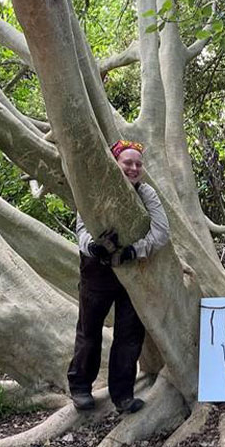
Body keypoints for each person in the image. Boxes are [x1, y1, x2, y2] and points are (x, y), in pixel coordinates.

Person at [67, 140, 169, 414]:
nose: (134, 168)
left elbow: (161, 232)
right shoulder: (96, 189)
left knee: (129, 334)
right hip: (96, 271)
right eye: (128, 163)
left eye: (138, 163)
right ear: (116, 164)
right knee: (89, 330)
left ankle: (123, 395)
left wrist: (135, 250)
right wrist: (94, 248)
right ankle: (80, 388)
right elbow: (81, 228)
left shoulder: (146, 193)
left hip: (133, 273)